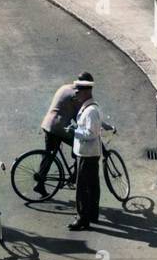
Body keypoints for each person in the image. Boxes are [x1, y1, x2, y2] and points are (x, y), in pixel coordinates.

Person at [36, 72, 93, 194]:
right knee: (79, 146)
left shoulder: (65, 87)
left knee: (49, 154)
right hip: (59, 127)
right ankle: (75, 177)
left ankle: (40, 183)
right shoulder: (76, 95)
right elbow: (80, 117)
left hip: (48, 124)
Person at [69, 87, 112, 231]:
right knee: (93, 186)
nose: (76, 93)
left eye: (79, 91)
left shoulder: (91, 111)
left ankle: (82, 219)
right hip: (90, 153)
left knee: (82, 188)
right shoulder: (90, 107)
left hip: (87, 154)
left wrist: (74, 131)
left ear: (86, 92)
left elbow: (91, 133)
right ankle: (93, 214)